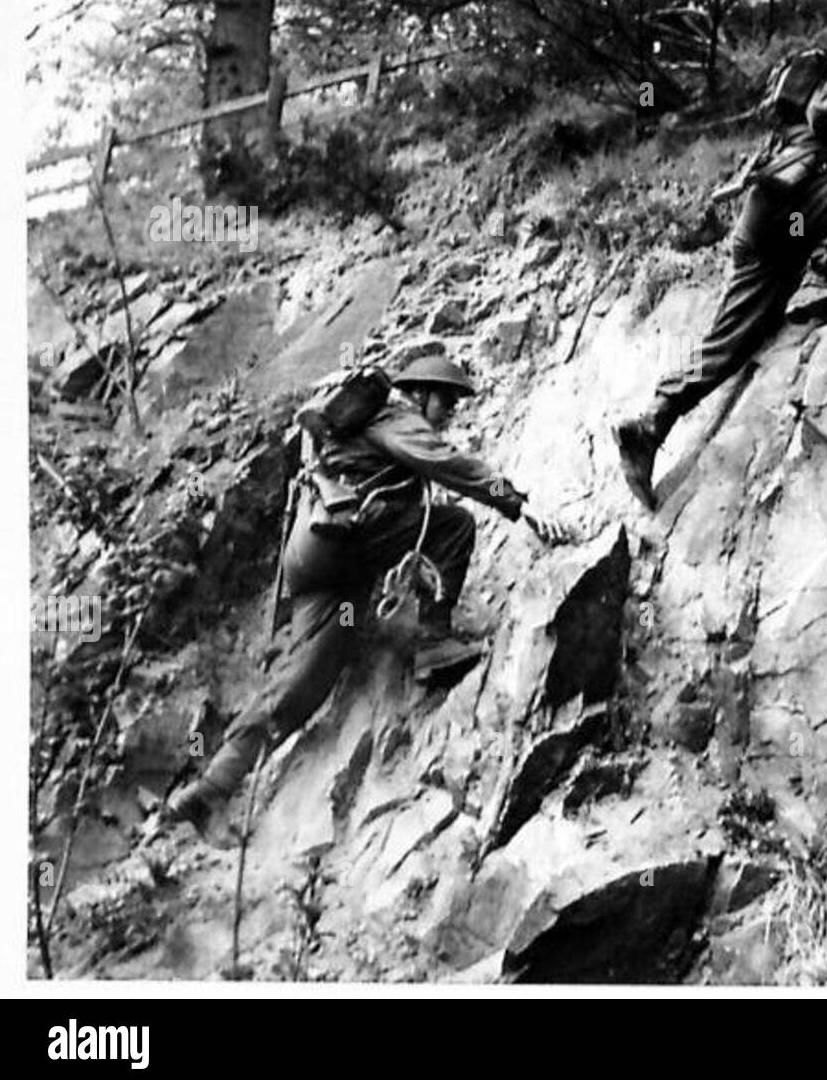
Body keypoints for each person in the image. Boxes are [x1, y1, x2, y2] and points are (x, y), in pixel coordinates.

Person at [164, 353, 566, 838]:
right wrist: (519, 505)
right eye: (448, 402)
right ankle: (435, 644)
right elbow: (448, 465)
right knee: (455, 524)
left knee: (303, 684)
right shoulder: (398, 414)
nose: (450, 414)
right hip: (349, 545)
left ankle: (212, 786)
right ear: (421, 393)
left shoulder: (353, 430)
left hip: (319, 557)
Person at [613, 26, 827, 510]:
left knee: (734, 338)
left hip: (771, 231)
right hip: (790, 216)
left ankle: (652, 421)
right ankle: (821, 279)